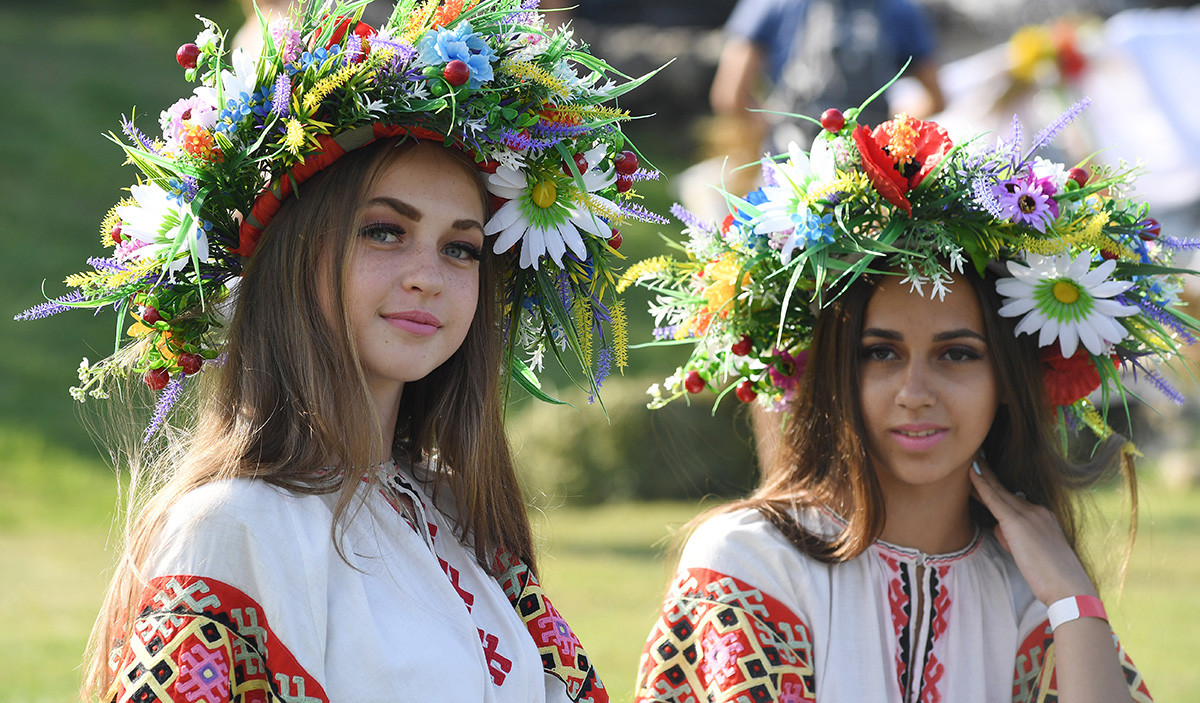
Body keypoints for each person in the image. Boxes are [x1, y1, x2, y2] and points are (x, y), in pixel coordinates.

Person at [17, 2, 659, 700]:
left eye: (461, 248)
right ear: (295, 257)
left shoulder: (456, 517)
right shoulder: (229, 530)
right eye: (384, 231)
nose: (427, 274)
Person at [622, 100, 1188, 700]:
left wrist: (1075, 600)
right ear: (838, 370)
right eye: (881, 353)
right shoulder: (753, 565)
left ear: (1009, 381)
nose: (915, 394)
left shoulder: (1033, 593)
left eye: (958, 354)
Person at [710, 0, 946, 153]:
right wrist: (890, 127)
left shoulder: (771, 4)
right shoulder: (901, 9)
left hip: (792, 167)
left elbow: (729, 96)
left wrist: (772, 125)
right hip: (870, 177)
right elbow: (937, 98)